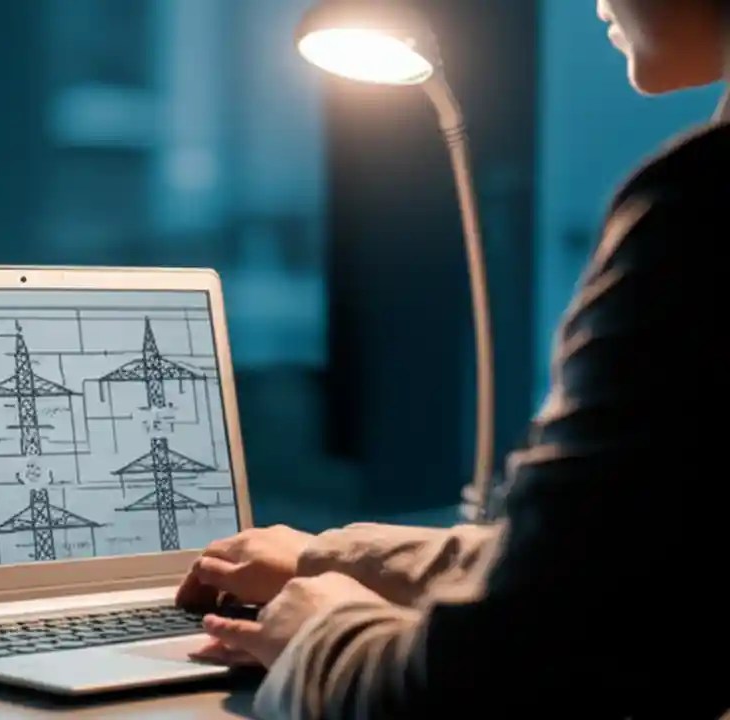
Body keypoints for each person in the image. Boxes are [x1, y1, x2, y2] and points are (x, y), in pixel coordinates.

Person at [177, 1, 730, 717]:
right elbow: (626, 573)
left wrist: (323, 630)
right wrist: (337, 559)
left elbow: (488, 683)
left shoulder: (704, 214)